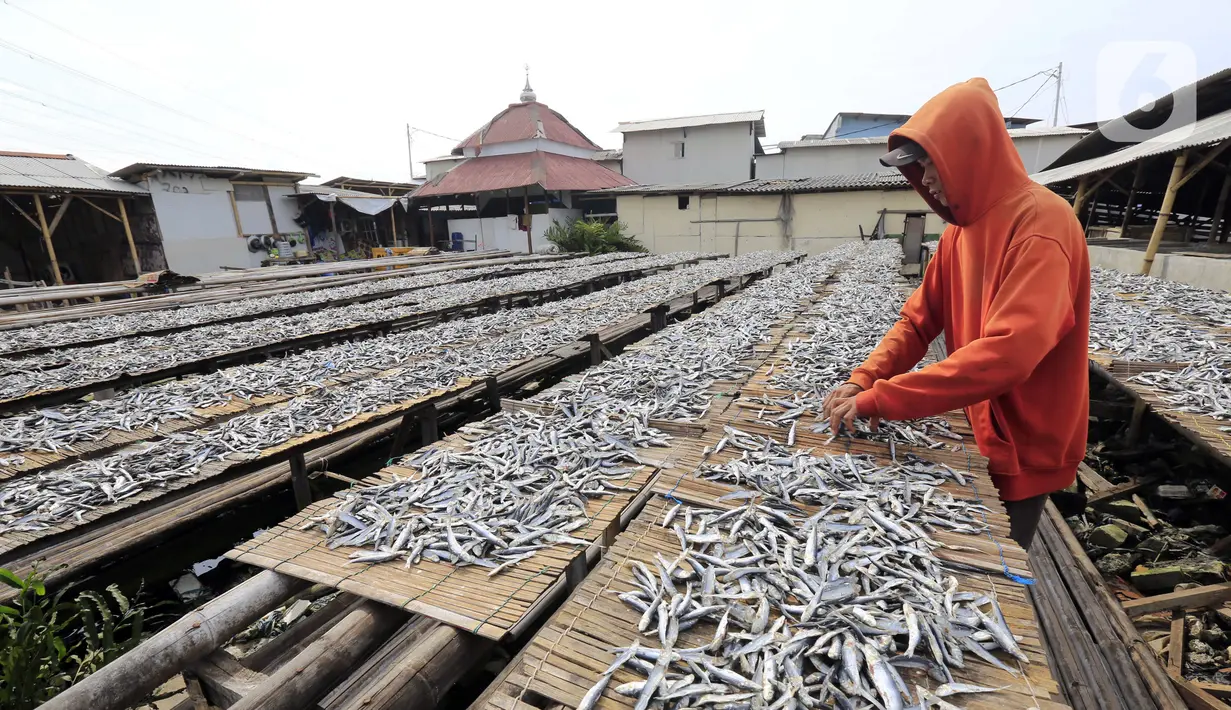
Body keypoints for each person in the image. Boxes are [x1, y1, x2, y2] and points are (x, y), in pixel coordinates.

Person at [821, 78, 1090, 550]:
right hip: (976, 417)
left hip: (1026, 438)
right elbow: (918, 321)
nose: (922, 180)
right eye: (917, 169)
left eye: (928, 166)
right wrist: (863, 378)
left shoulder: (1043, 224)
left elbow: (1009, 353)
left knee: (994, 571)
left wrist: (883, 399)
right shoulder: (957, 233)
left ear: (969, 155)